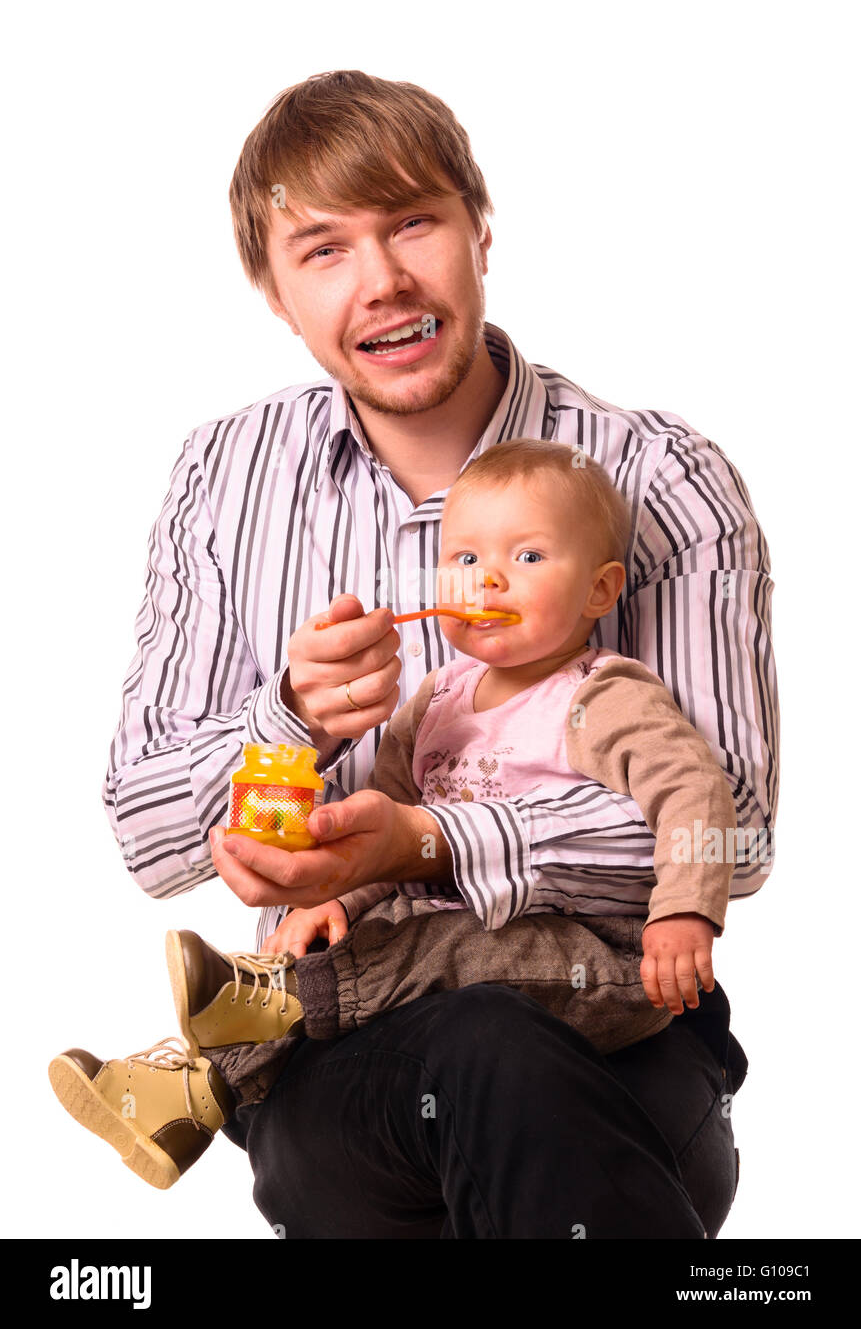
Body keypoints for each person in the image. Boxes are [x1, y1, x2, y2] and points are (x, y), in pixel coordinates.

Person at [89, 70, 778, 1237]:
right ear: (273, 291)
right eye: (323, 248)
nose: (384, 280)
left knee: (498, 1049)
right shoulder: (224, 476)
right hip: (344, 1036)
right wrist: (290, 726)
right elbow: (150, 829)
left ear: (479, 229)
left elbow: (733, 824)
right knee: (468, 1051)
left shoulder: (660, 482)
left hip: (616, 1021)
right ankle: (204, 1068)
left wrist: (435, 841)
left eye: (413, 220)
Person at [49, 441, 742, 1191]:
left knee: (432, 949)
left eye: (530, 556)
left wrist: (683, 915)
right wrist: (332, 902)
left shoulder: (601, 696)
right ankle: (188, 1095)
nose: (490, 579)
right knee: (356, 946)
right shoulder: (436, 700)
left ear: (600, 590)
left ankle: (253, 1016)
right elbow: (381, 831)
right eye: (466, 559)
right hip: (454, 962)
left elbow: (695, 794)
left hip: (599, 964)